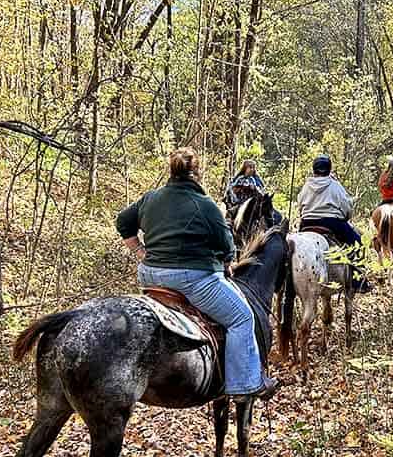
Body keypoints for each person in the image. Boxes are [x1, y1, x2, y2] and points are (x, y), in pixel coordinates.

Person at [116, 147, 278, 402]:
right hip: (194, 281)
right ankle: (245, 384)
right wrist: (225, 262)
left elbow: (123, 221)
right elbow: (226, 245)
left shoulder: (150, 198)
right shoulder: (205, 205)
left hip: (150, 278)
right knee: (241, 317)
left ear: (171, 171)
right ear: (197, 173)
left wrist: (139, 250)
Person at [297, 155, 371, 292]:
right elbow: (346, 206)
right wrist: (346, 217)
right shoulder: (334, 185)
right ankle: (358, 282)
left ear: (314, 169)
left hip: (306, 223)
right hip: (331, 222)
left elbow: (300, 204)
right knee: (357, 243)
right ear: (329, 169)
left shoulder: (307, 186)